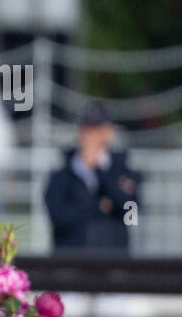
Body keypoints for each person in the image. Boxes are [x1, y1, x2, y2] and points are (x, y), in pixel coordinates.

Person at [44, 103, 142, 251]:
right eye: (88, 129)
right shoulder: (63, 175)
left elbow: (131, 215)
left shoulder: (123, 171)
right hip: (71, 262)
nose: (91, 136)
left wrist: (100, 171)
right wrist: (98, 207)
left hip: (115, 262)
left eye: (97, 129)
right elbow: (57, 217)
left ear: (109, 132)